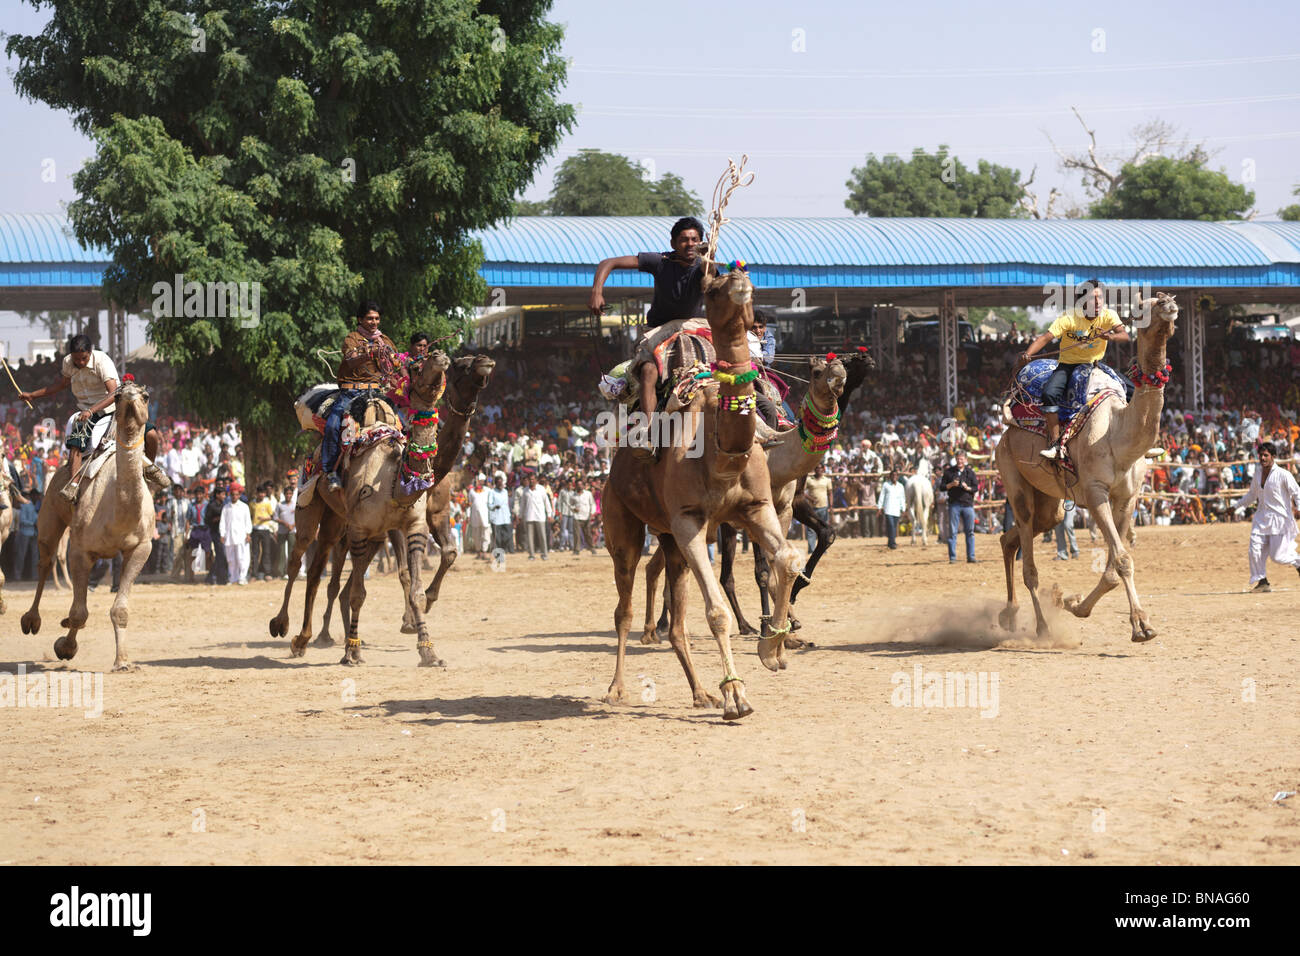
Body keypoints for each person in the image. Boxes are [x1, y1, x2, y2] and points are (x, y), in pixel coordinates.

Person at [19, 334, 170, 502]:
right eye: (77, 359)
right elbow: (62, 385)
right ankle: (73, 486)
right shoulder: (68, 362)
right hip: (85, 412)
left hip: (113, 410)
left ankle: (149, 470)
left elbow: (115, 393)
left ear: (90, 352)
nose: (80, 363)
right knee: (75, 444)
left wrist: (91, 410)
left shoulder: (102, 361)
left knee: (151, 435)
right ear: (71, 356)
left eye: (83, 358)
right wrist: (33, 395)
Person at [589, 216, 708, 426]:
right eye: (684, 239)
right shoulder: (660, 261)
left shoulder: (705, 267)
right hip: (658, 332)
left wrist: (709, 262)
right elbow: (608, 262)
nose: (690, 244)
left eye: (694, 239)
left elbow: (714, 279)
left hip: (694, 330)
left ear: (701, 243)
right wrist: (597, 292)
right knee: (648, 371)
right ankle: (650, 431)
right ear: (673, 243)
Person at [1017, 280, 1130, 460]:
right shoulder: (1068, 317)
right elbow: (1045, 338)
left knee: (1132, 390)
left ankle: (1134, 441)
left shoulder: (1109, 315)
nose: (1098, 302)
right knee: (1049, 394)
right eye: (1093, 298)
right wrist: (1028, 354)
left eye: (1100, 297)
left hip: (1095, 366)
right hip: (1068, 365)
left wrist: (1111, 336)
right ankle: (1055, 444)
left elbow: (1125, 335)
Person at [322, 301, 398, 492]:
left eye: (377, 319)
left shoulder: (386, 341)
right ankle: (331, 471)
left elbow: (397, 365)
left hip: (377, 392)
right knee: (332, 425)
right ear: (360, 319)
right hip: (351, 392)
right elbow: (351, 361)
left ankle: (403, 469)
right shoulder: (352, 339)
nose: (374, 322)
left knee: (402, 424)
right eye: (370, 318)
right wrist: (372, 353)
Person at [1233, 442, 1300, 592]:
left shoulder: (1283, 474)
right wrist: (1235, 507)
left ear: (1273, 457)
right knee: (1254, 550)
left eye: (1266, 455)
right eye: (1260, 455)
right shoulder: (1257, 473)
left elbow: (1297, 492)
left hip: (1280, 519)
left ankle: (1298, 563)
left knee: (1278, 557)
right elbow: (1251, 495)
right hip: (1261, 518)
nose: (1262, 458)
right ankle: (1262, 582)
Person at [942, 449, 978, 564]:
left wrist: (967, 488)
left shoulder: (970, 473)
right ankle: (952, 557)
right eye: (957, 458)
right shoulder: (949, 472)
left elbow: (976, 488)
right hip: (954, 504)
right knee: (952, 532)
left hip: (968, 505)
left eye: (961, 459)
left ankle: (971, 556)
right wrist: (951, 484)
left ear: (966, 460)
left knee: (970, 532)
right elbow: (942, 487)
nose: (959, 461)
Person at [220, 482, 252, 585]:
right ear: (230, 495)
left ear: (239, 495)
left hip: (241, 536)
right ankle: (233, 577)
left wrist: (248, 533)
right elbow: (223, 522)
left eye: (236, 494)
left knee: (242, 557)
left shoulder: (244, 507)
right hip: (229, 536)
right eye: (232, 494)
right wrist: (222, 534)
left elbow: (248, 521)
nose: (234, 496)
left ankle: (242, 577)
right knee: (231, 559)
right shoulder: (226, 508)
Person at [803, 463, 834, 554]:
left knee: (823, 530)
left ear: (823, 469)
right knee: (811, 529)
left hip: (824, 507)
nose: (819, 470)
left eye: (821, 468)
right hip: (812, 509)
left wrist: (831, 506)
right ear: (814, 469)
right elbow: (802, 492)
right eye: (817, 468)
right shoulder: (809, 480)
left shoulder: (827, 480)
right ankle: (811, 550)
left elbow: (830, 493)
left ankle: (822, 549)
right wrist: (811, 499)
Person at [521, 473, 553, 560]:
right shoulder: (525, 491)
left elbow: (547, 502)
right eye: (530, 479)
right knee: (530, 537)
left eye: (533, 479)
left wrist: (549, 514)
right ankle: (531, 555)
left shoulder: (541, 489)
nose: (531, 481)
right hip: (529, 516)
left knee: (542, 536)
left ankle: (544, 554)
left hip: (540, 516)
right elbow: (522, 505)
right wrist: (521, 516)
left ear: (536, 480)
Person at [878, 469, 905, 550]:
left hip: (896, 510)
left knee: (893, 527)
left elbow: (902, 498)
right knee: (891, 525)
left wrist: (903, 508)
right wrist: (879, 507)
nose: (894, 477)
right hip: (888, 509)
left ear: (897, 477)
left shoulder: (900, 486)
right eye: (892, 475)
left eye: (896, 475)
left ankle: (890, 542)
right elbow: (882, 496)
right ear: (890, 476)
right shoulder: (886, 485)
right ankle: (893, 543)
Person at [487, 474, 513, 554]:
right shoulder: (492, 492)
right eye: (498, 483)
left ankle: (505, 548)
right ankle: (498, 553)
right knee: (497, 537)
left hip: (505, 517)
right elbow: (489, 504)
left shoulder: (505, 492)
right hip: (496, 518)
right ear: (496, 483)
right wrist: (494, 506)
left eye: (501, 482)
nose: (500, 484)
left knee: (507, 535)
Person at [571, 478, 597, 555]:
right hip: (577, 517)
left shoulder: (588, 494)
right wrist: (573, 509)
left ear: (583, 485)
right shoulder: (573, 495)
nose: (579, 486)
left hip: (586, 516)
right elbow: (570, 505)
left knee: (588, 534)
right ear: (575, 486)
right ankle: (576, 550)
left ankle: (592, 548)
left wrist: (592, 513)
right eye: (578, 485)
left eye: (581, 484)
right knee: (577, 534)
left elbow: (592, 504)